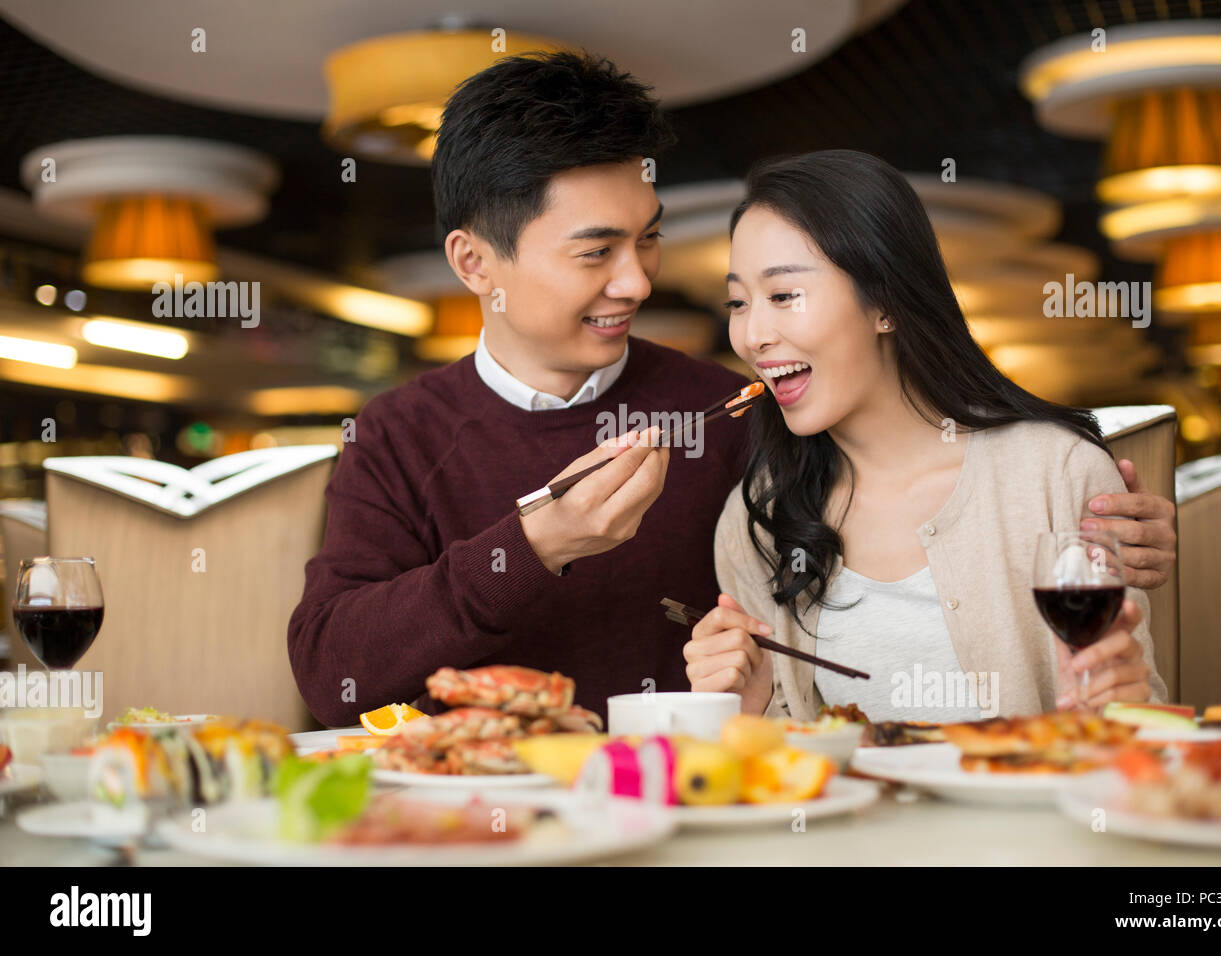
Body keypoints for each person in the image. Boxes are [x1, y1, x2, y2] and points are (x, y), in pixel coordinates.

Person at [288, 53, 1176, 728]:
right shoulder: (398, 434)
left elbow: (928, 489)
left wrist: (1106, 523)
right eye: (596, 252)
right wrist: (531, 546)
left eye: (648, 241)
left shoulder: (740, 419)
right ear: (475, 263)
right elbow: (333, 672)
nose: (636, 283)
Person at [684, 150, 1172, 722]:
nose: (752, 334)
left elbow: (1137, 726)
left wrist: (1121, 708)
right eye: (738, 303)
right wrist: (748, 708)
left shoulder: (1055, 473)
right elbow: (786, 770)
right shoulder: (758, 519)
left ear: (885, 302)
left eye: (784, 295)